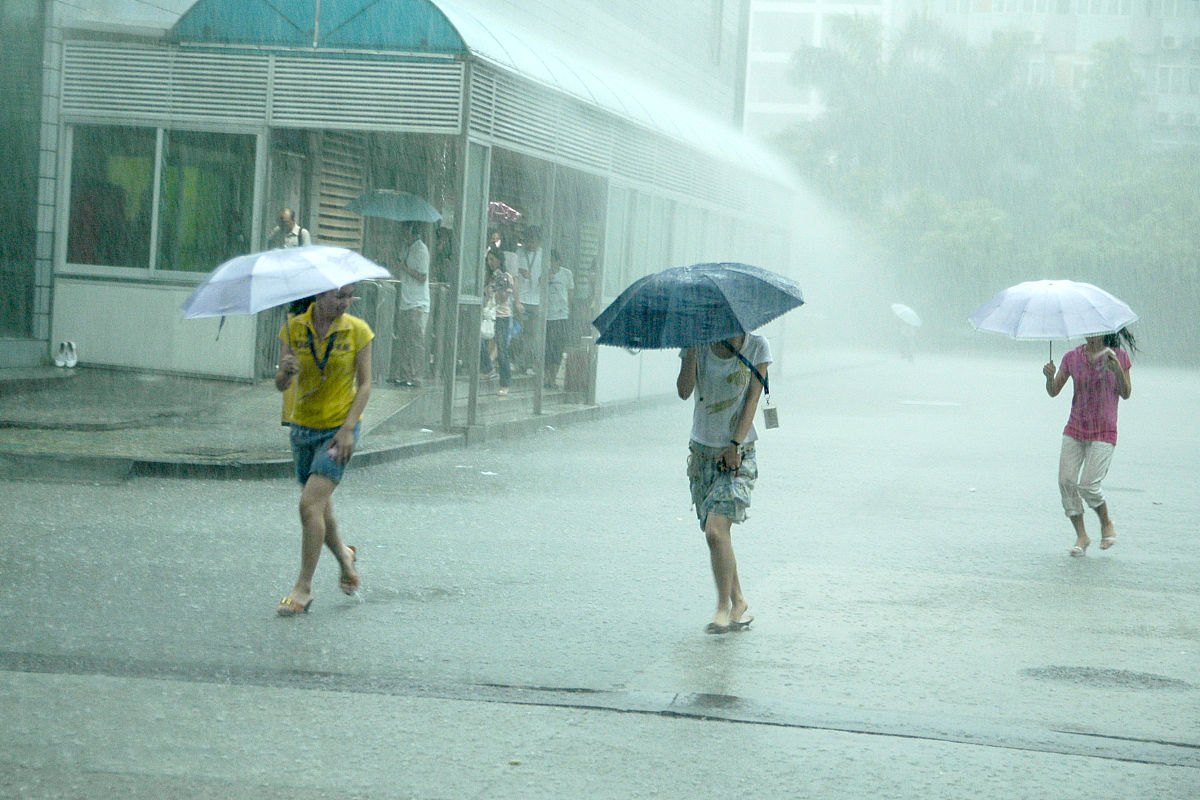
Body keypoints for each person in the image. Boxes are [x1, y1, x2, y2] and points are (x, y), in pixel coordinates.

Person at [274, 284, 373, 615]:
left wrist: (348, 429)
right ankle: (345, 556)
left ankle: (303, 587)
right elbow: (280, 385)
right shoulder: (293, 328)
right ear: (319, 296)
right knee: (320, 509)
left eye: (350, 296)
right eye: (338, 296)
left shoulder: (358, 331)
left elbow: (366, 384)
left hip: (337, 430)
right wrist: (285, 372)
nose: (345, 303)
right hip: (302, 429)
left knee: (308, 506)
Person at [677, 333, 772, 634]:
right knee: (718, 535)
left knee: (715, 532)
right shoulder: (699, 343)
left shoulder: (758, 346)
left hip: (738, 454)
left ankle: (722, 607)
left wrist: (735, 443)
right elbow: (683, 391)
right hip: (702, 454)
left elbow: (753, 400)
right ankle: (739, 601)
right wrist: (690, 350)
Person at [1043, 328, 1135, 556]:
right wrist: (1048, 377)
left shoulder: (1118, 357)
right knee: (1066, 481)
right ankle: (1082, 535)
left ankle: (1106, 523)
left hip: (1104, 430)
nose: (1092, 336)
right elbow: (1053, 391)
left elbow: (1126, 393)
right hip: (1076, 427)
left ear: (1105, 333)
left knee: (1088, 485)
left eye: (1097, 332)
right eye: (1089, 332)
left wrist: (1117, 371)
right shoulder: (1072, 357)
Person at [389, 221, 430, 388]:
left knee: (416, 342)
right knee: (404, 340)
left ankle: (416, 376)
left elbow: (422, 276)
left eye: (406, 231)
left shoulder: (421, 250)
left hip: (418, 303)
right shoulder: (406, 247)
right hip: (405, 301)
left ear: (412, 231)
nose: (403, 234)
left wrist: (405, 268)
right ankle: (404, 374)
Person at [482, 247, 521, 396]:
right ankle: (488, 368)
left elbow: (503, 297)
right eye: (488, 260)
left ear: (499, 260)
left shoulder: (505, 277)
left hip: (502, 317)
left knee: (502, 350)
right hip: (489, 315)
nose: (490, 263)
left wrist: (494, 290)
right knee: (481, 341)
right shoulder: (490, 276)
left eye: (493, 259)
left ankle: (505, 383)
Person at [267, 208, 314, 315]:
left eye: (285, 222)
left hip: (298, 282)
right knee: (279, 314)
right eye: (279, 222)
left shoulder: (302, 233)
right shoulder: (277, 232)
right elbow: (269, 250)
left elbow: (308, 258)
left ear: (293, 220)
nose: (282, 225)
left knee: (296, 313)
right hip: (281, 281)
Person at [511, 226, 544, 374]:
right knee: (517, 332)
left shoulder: (543, 255)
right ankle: (515, 361)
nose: (530, 244)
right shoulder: (519, 253)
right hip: (521, 298)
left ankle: (529, 364)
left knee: (532, 335)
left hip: (536, 300)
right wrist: (519, 271)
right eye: (528, 241)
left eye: (533, 241)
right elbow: (512, 271)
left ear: (538, 241)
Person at [543, 249, 574, 389]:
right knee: (547, 348)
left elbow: (570, 293)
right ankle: (546, 378)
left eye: (553, 261)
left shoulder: (567, 274)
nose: (551, 264)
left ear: (558, 261)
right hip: (547, 316)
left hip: (561, 316)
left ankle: (553, 378)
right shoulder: (544, 274)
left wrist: (568, 310)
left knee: (557, 348)